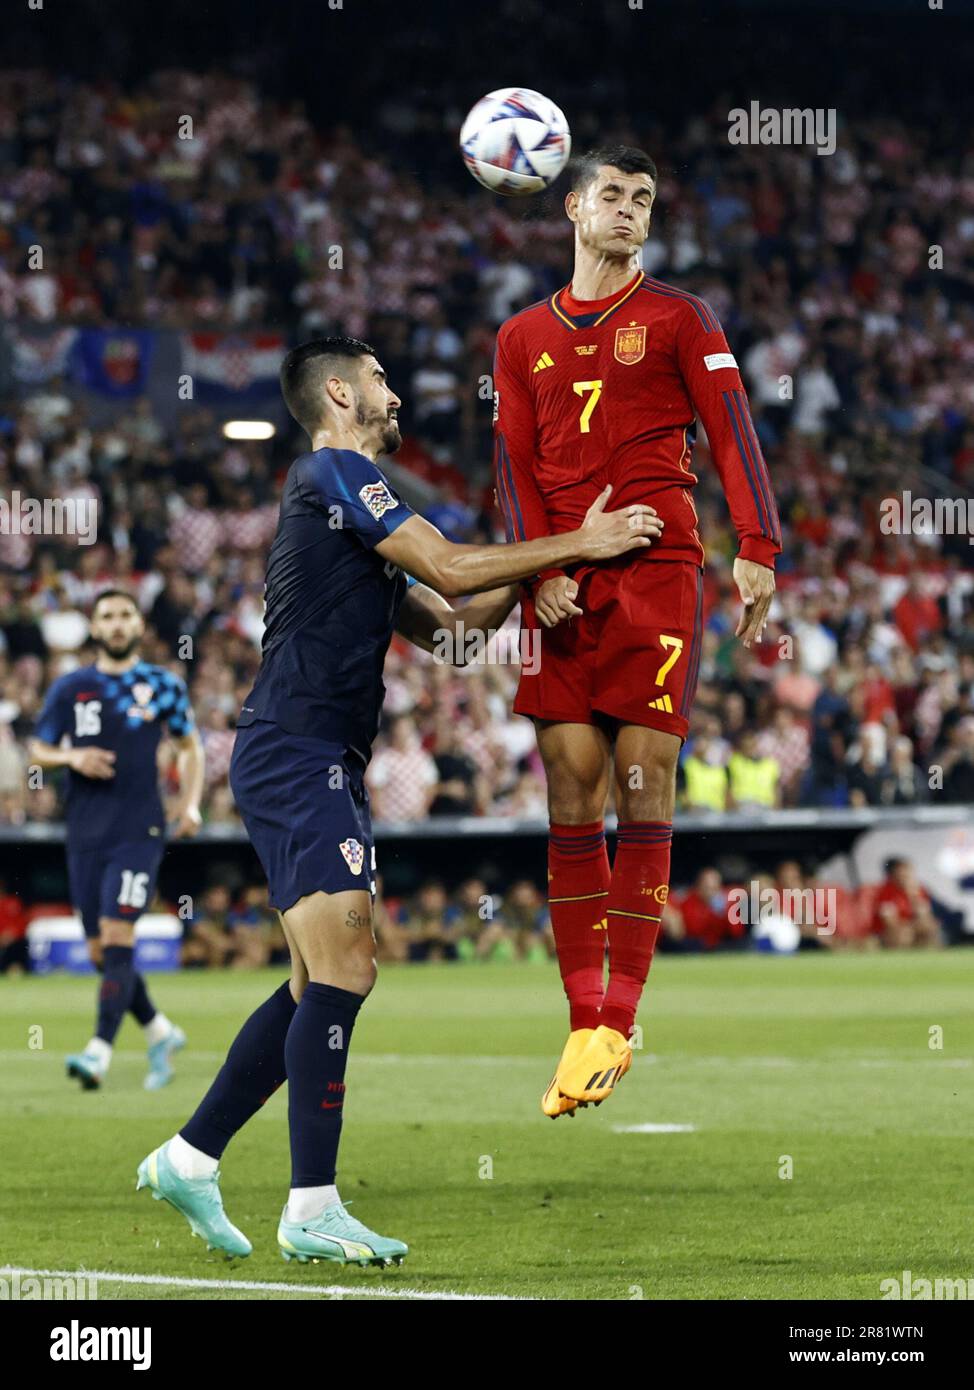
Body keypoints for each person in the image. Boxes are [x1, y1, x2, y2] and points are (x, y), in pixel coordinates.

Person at [137, 334, 663, 1266]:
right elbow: (455, 568)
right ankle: (311, 1205)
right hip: (293, 751)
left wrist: (542, 573)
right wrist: (581, 539)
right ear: (340, 392)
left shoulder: (361, 518)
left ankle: (190, 1155)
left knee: (315, 982)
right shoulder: (333, 469)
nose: (394, 391)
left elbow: (457, 634)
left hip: (319, 757)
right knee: (347, 971)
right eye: (379, 378)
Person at [492, 145, 781, 1116]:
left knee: (641, 777)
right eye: (610, 194)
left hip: (655, 569)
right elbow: (515, 469)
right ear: (571, 206)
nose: (626, 210)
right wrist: (539, 572)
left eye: (642, 199)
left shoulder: (677, 316)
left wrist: (758, 544)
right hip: (560, 575)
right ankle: (581, 1018)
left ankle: (620, 1013)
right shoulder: (518, 335)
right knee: (570, 783)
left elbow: (732, 425)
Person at [28, 590, 204, 1090]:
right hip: (83, 833)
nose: (118, 623)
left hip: (139, 830)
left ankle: (98, 1052)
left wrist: (189, 803)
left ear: (139, 624)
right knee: (102, 951)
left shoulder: (162, 685)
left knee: (118, 935)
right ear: (95, 627)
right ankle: (160, 1030)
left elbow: (191, 747)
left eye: (125, 614)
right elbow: (38, 749)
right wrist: (72, 759)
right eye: (107, 616)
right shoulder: (71, 688)